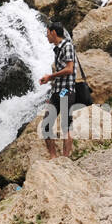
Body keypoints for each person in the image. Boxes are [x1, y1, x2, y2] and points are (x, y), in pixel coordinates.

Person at [38, 20, 78, 159]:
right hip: (59, 91)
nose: (46, 36)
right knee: (46, 124)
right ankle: (54, 158)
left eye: (47, 33)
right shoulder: (58, 48)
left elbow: (69, 69)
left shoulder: (67, 46)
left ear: (54, 32)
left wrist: (50, 76)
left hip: (66, 91)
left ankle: (65, 159)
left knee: (66, 125)